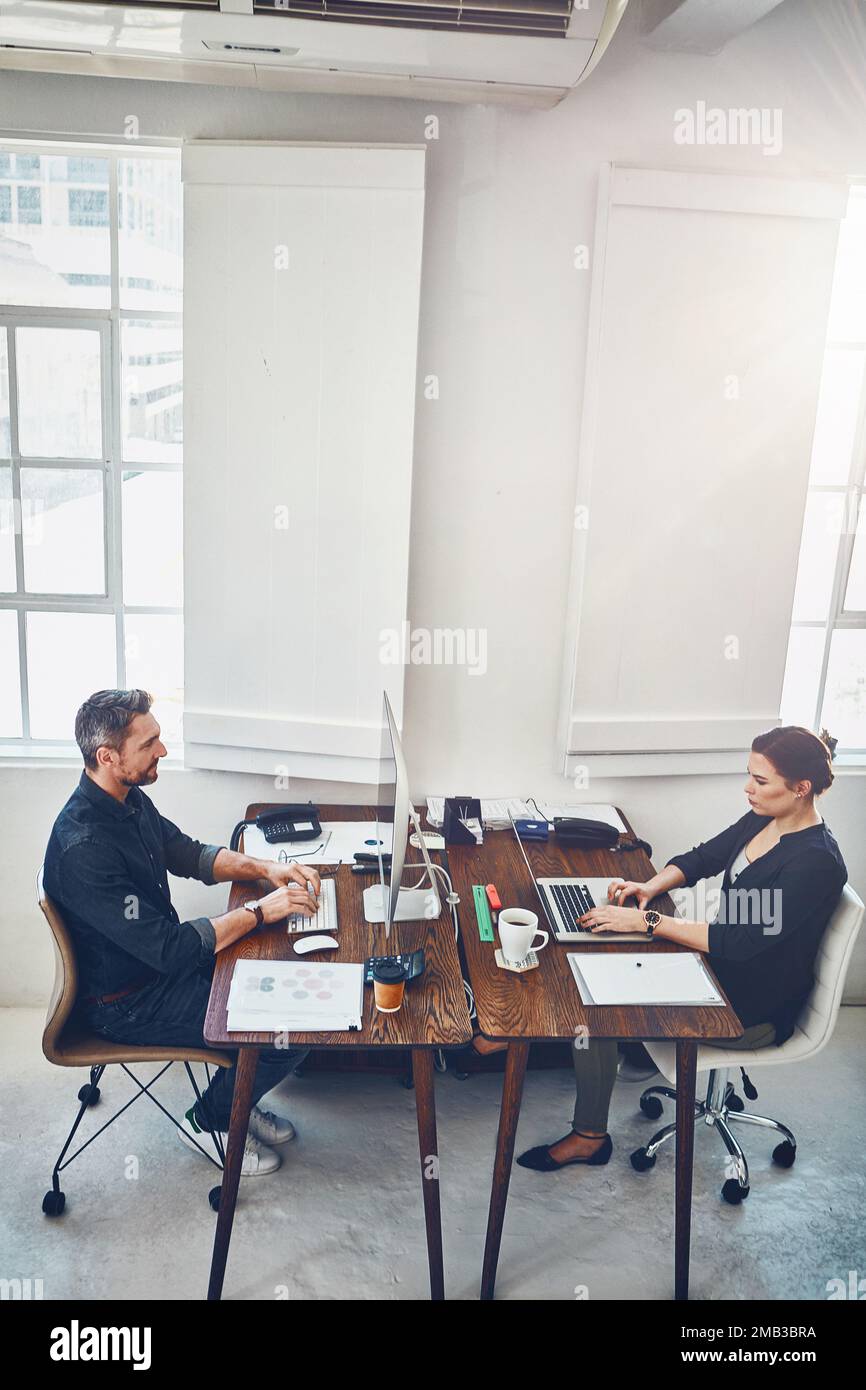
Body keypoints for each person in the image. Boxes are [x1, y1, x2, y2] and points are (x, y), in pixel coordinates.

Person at [517, 726, 847, 1172]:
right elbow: (704, 858)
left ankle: (589, 1138)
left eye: (760, 780)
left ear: (801, 788)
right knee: (599, 954)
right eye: (749, 775)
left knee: (598, 1004)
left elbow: (738, 941)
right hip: (716, 966)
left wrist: (648, 922)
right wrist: (649, 887)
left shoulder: (814, 862)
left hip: (745, 1007)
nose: (748, 788)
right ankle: (601, 1052)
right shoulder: (766, 817)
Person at [44, 689, 323, 1178]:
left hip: (159, 968)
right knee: (290, 1031)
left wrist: (266, 868)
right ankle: (209, 1120)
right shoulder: (84, 847)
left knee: (282, 974)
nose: (163, 750)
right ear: (108, 757)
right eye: (149, 743)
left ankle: (238, 1094)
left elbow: (189, 854)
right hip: (129, 1003)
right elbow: (170, 950)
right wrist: (260, 912)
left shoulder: (127, 799)